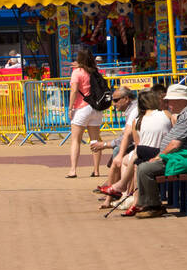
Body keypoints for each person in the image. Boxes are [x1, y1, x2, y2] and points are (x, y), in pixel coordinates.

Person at [131, 84, 187, 219]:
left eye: (170, 100)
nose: (167, 103)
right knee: (142, 165)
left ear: (181, 99)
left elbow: (175, 144)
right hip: (178, 157)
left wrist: (159, 156)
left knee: (145, 168)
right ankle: (147, 204)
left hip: (184, 159)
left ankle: (154, 206)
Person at [107, 89, 173, 215]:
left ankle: (127, 191)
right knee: (137, 161)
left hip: (161, 154)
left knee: (137, 156)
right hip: (153, 154)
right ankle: (135, 199)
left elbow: (138, 144)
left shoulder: (139, 120)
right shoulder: (160, 115)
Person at [89, 86, 138, 195]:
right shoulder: (130, 109)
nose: (113, 104)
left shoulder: (134, 110)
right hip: (137, 144)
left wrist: (105, 144)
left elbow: (127, 136)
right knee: (118, 150)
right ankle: (113, 185)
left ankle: (114, 188)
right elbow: (125, 136)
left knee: (118, 151)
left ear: (126, 99)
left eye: (116, 100)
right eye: (112, 100)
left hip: (140, 146)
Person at [67, 47, 106, 178]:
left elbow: (74, 91)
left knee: (76, 140)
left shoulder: (77, 72)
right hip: (96, 107)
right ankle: (96, 170)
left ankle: (73, 170)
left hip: (82, 107)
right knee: (95, 140)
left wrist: (70, 108)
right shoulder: (94, 71)